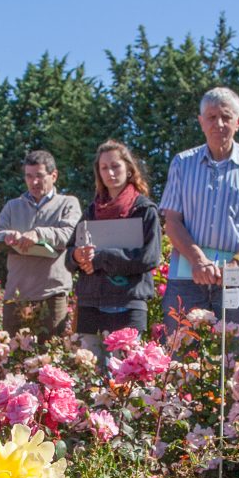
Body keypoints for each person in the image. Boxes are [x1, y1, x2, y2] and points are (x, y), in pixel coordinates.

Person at [159, 87, 239, 356]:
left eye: (226, 117)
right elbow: (172, 220)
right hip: (187, 276)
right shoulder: (182, 163)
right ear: (201, 121)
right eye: (211, 116)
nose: (218, 124)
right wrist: (198, 260)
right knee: (178, 356)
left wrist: (238, 263)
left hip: (238, 277)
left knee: (235, 358)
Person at [68, 141, 162, 361]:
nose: (110, 172)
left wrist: (101, 258)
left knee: (127, 376)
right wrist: (76, 256)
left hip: (128, 303)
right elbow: (68, 256)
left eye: (115, 166)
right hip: (91, 303)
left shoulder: (144, 210)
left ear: (129, 169)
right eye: (104, 168)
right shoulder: (91, 211)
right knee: (88, 375)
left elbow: (149, 257)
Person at [0, 149, 81, 340]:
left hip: (52, 295)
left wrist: (39, 234)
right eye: (29, 176)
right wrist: (5, 236)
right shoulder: (13, 206)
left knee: (50, 362)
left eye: (39, 176)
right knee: (11, 361)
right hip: (16, 297)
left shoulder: (67, 204)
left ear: (54, 176)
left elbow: (70, 235)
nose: (33, 182)